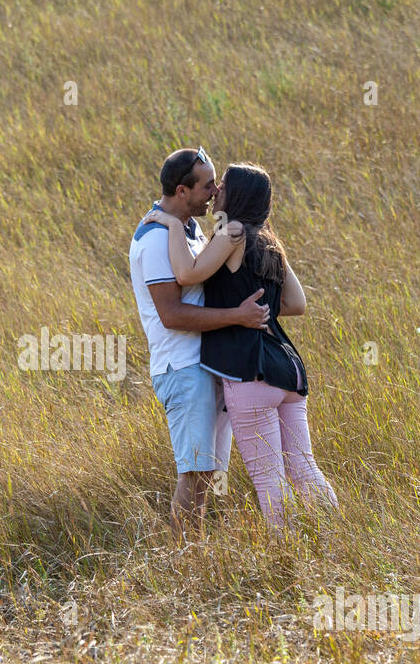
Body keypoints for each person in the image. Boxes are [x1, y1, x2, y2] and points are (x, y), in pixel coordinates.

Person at [143, 162, 338, 528]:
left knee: (270, 482)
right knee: (304, 467)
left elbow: (186, 274)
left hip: (251, 374)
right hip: (288, 370)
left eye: (224, 186)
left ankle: (286, 555)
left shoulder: (231, 232)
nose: (217, 192)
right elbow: (297, 304)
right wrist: (251, 299)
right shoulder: (270, 242)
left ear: (239, 196)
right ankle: (337, 536)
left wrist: (171, 224)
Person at [128, 148, 271, 538]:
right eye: (207, 185)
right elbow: (172, 316)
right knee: (194, 472)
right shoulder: (156, 238)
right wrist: (237, 317)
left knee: (208, 471)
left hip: (206, 364)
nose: (215, 190)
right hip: (183, 368)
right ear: (181, 189)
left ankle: (196, 554)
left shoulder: (189, 228)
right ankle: (184, 560)